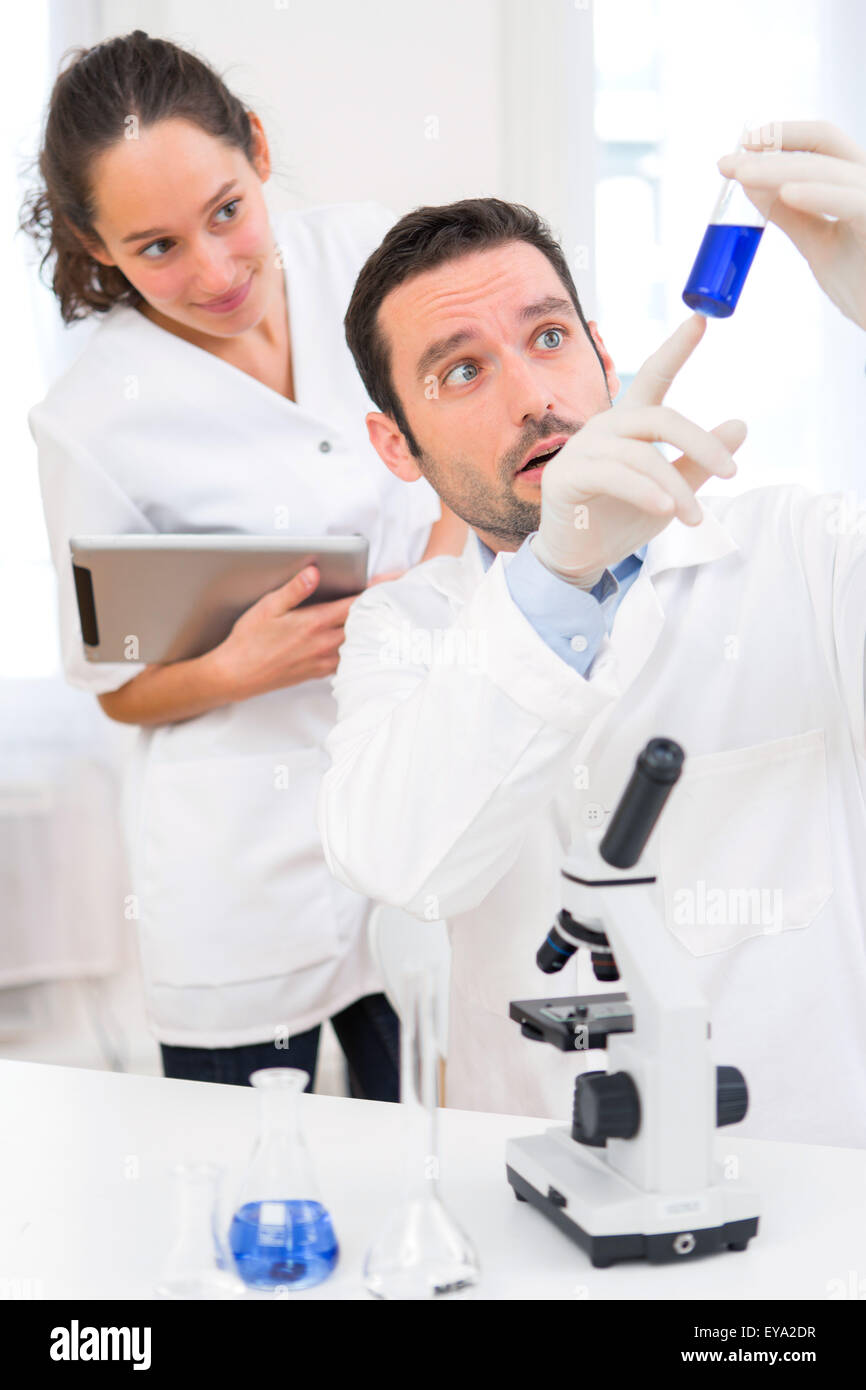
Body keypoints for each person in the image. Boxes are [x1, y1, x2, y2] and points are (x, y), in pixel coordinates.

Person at [318, 121, 866, 1146]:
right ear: (396, 445)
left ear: (602, 355)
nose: (532, 394)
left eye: (547, 337)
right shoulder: (401, 629)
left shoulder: (800, 552)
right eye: (460, 371)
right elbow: (399, 859)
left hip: (808, 1195)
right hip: (530, 1196)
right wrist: (554, 579)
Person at [24, 31, 466, 1095]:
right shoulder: (90, 422)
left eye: (226, 210)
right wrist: (246, 664)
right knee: (241, 1184)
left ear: (257, 150)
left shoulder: (365, 257)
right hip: (240, 860)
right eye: (157, 246)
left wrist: (432, 589)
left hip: (420, 797)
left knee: (420, 1153)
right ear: (96, 243)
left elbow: (463, 452)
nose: (216, 271)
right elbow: (120, 693)